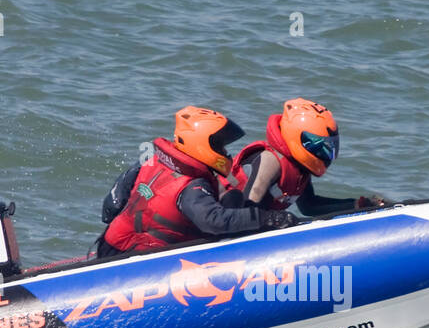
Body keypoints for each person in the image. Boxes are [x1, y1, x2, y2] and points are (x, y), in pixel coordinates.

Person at [98, 106, 296, 257]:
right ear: (202, 144)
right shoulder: (191, 185)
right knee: (229, 207)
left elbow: (111, 206)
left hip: (109, 245)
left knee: (233, 198)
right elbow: (214, 221)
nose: (226, 153)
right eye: (221, 146)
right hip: (135, 260)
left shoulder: (151, 160)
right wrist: (268, 219)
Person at [218, 98, 387, 215]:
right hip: (217, 229)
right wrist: (275, 221)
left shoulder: (299, 168)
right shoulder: (271, 161)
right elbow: (246, 210)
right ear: (296, 137)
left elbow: (309, 207)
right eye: (317, 144)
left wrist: (356, 205)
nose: (324, 153)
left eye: (329, 146)